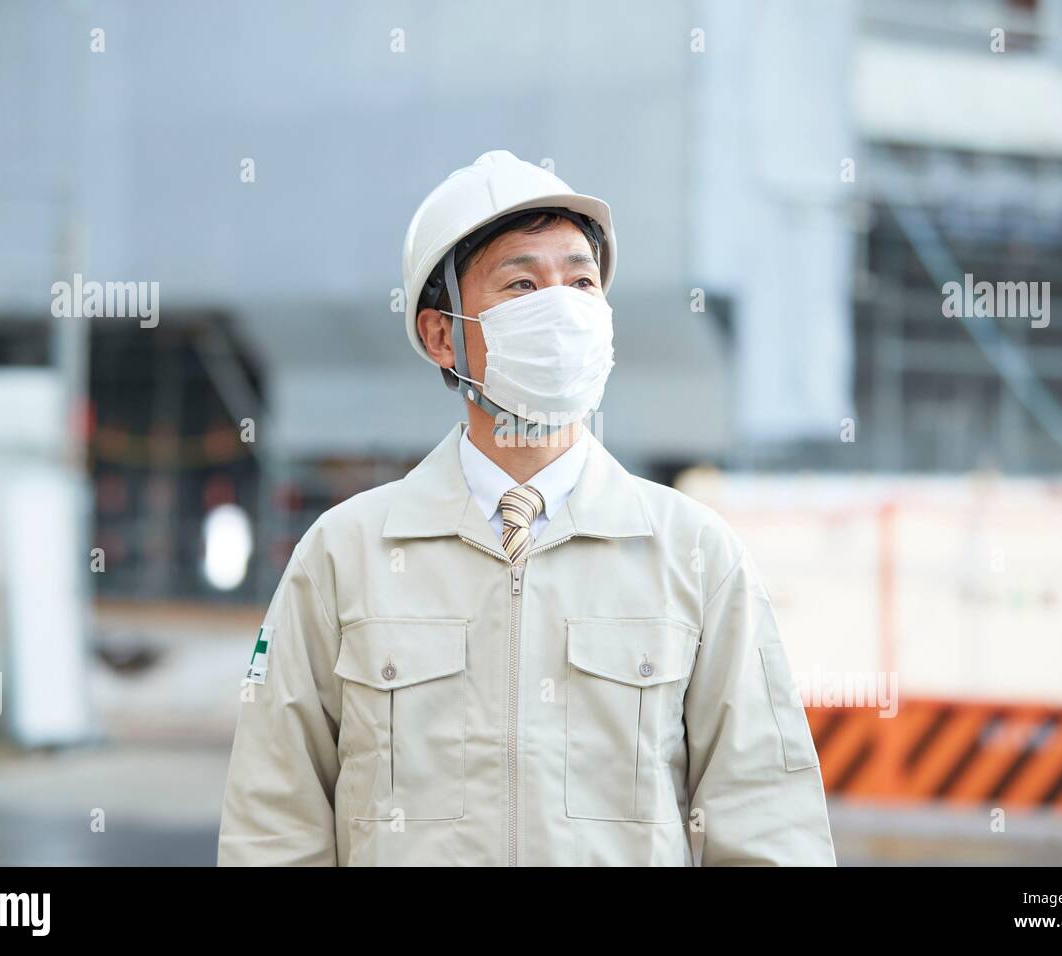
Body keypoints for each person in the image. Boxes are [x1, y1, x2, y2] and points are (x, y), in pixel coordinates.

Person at [217, 149, 836, 866]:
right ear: (441, 335)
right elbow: (274, 823)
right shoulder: (344, 555)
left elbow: (767, 822)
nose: (563, 309)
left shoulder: (694, 554)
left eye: (580, 281)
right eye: (522, 284)